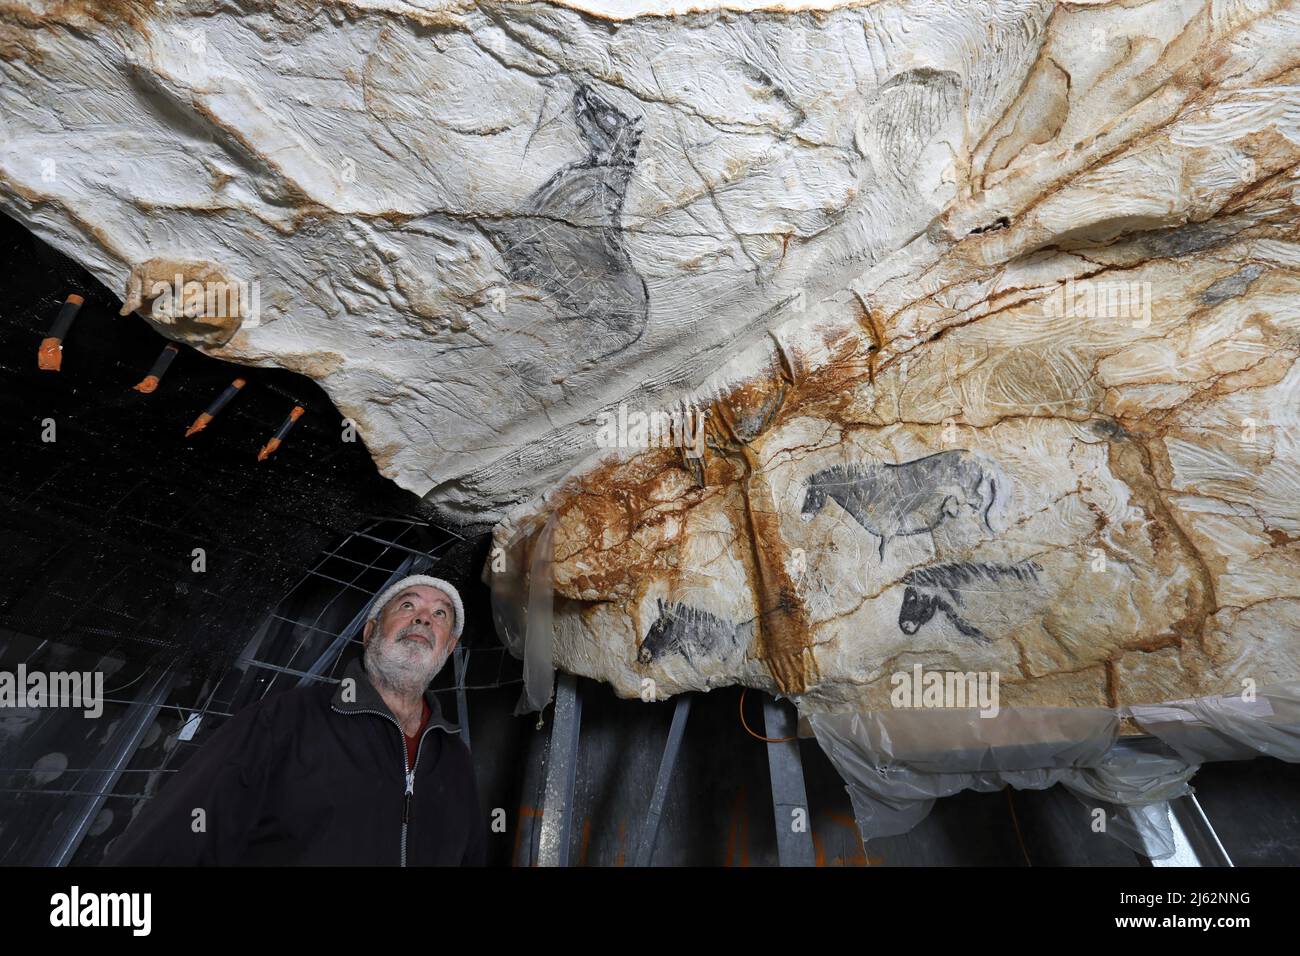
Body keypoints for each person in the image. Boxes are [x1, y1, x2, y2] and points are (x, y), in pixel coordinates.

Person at [105, 575, 487, 865]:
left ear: (449, 648)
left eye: (440, 615)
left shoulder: (454, 758)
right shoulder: (285, 719)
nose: (423, 619)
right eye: (407, 606)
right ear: (370, 632)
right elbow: (174, 834)